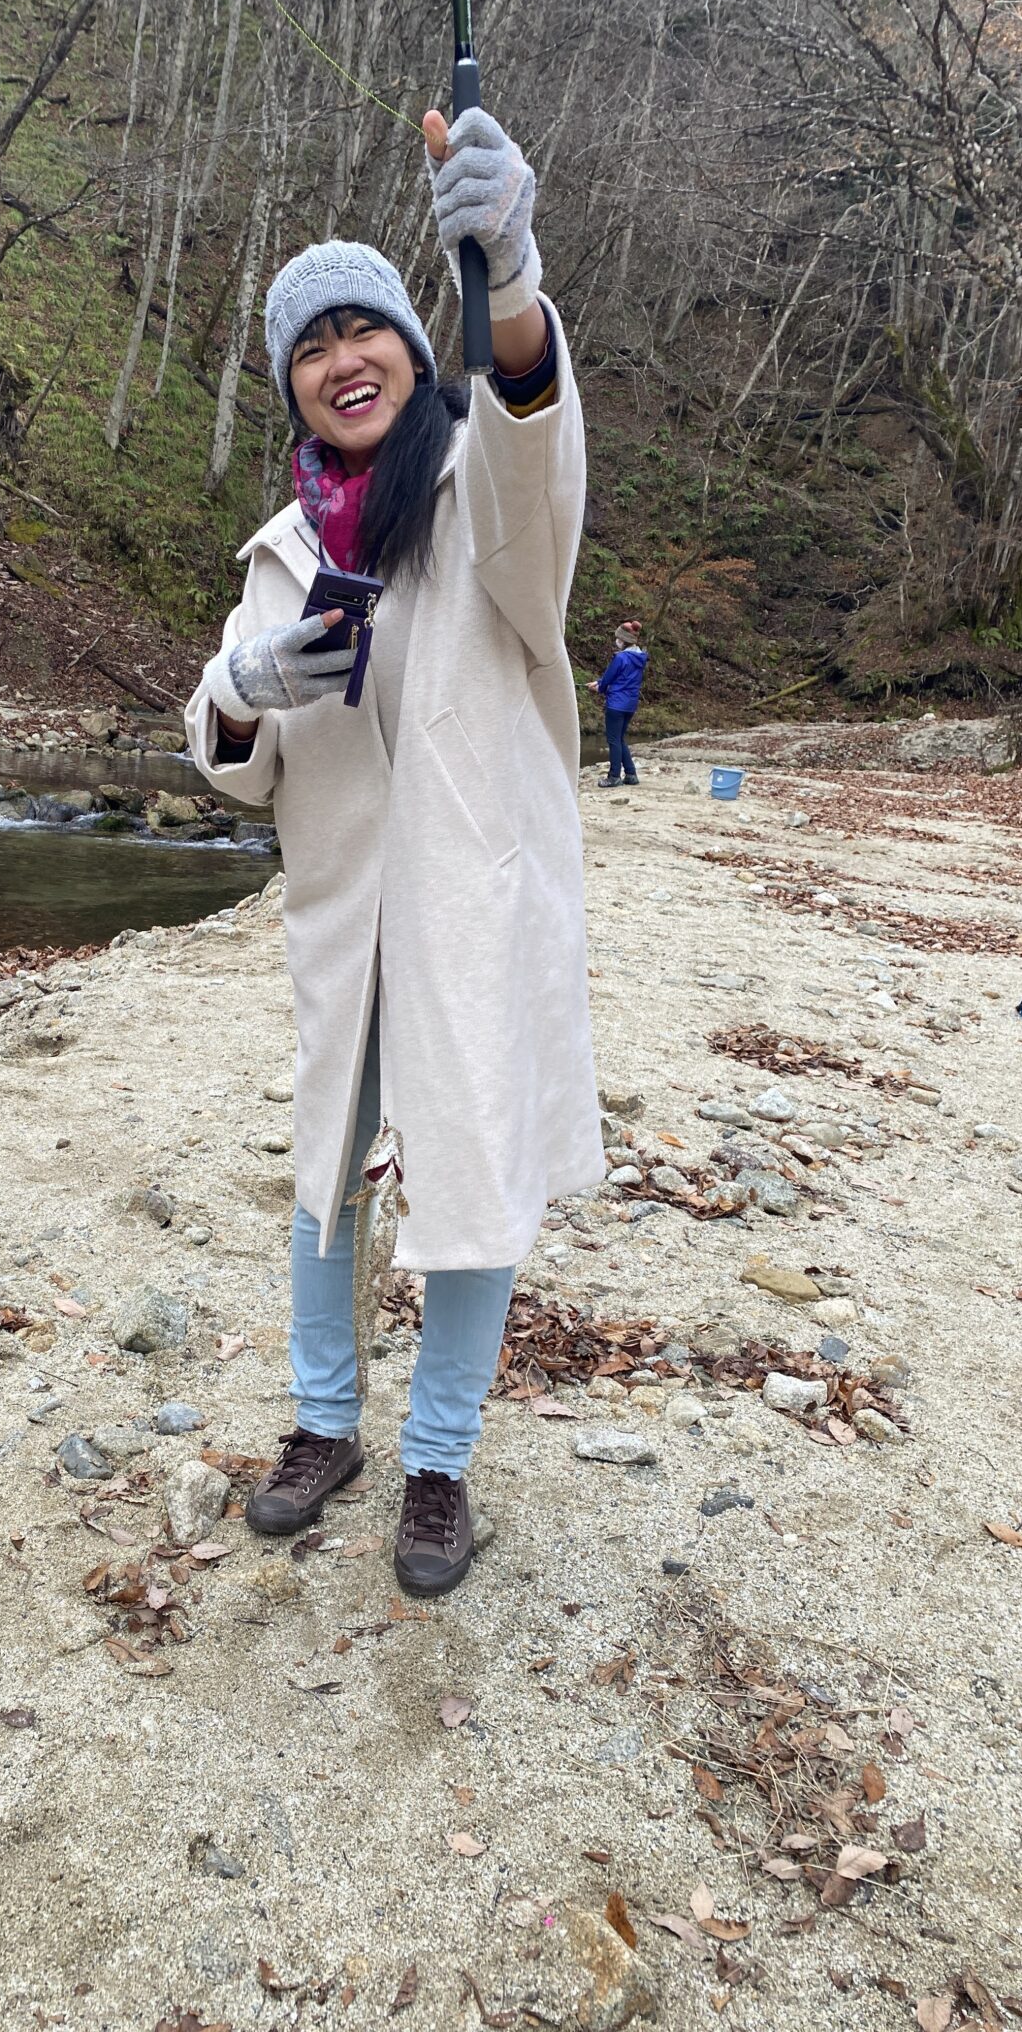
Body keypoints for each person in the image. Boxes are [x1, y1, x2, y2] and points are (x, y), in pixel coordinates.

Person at [185, 107, 602, 1597]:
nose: (342, 356)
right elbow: (228, 757)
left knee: (469, 1175)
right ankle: (322, 1425)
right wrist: (243, 692)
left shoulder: (472, 496)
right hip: (338, 913)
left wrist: (507, 274)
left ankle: (438, 1460)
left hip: (470, 905)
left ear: (416, 359)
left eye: (369, 327)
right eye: (312, 343)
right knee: (325, 1180)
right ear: (290, 386)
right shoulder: (283, 549)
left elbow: (533, 453)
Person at [595, 619, 647, 788]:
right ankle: (631, 774)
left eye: (618, 638)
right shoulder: (639, 658)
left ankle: (614, 776)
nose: (616, 641)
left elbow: (609, 678)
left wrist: (599, 687)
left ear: (623, 640)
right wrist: (600, 683)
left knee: (613, 740)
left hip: (616, 704)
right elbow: (622, 679)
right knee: (620, 738)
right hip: (630, 705)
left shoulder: (621, 658)